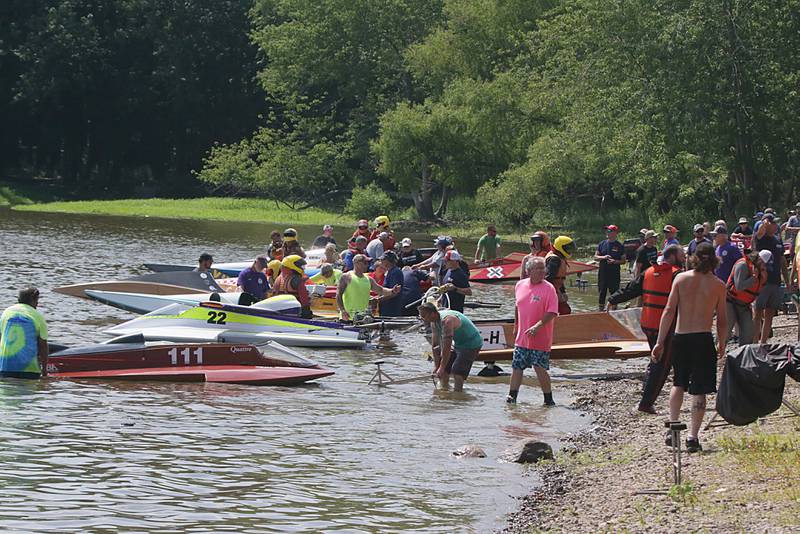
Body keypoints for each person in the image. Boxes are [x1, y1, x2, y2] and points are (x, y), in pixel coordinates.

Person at [652, 242, 727, 453]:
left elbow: (668, 311)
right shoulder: (718, 285)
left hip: (681, 337)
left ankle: (673, 427)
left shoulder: (680, 279)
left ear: (692, 258)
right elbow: (722, 320)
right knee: (700, 390)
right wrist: (722, 342)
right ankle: (693, 437)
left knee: (679, 383)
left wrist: (659, 341)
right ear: (714, 260)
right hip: (703, 338)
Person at [638, 245, 685, 413]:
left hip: (647, 325)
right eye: (682, 255)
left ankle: (647, 390)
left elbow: (632, 288)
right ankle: (645, 404)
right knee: (662, 366)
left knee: (657, 360)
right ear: (672, 257)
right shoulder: (677, 275)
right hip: (664, 327)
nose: (684, 258)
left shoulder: (649, 271)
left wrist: (614, 299)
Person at [505, 257, 558, 405]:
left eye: (544, 268)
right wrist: (516, 325)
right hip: (522, 337)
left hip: (540, 337)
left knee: (539, 367)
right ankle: (512, 396)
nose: (543, 271)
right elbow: (517, 306)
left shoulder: (549, 288)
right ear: (529, 271)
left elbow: (552, 312)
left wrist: (537, 326)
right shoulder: (520, 285)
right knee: (517, 366)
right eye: (539, 268)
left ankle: (548, 400)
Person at [418, 301, 483, 392]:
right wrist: (437, 366)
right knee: (444, 369)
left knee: (457, 371)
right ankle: (444, 391)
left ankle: (458, 394)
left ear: (432, 313)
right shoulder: (434, 323)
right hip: (458, 343)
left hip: (471, 343)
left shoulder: (447, 321)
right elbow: (435, 345)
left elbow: (447, 346)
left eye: (424, 316)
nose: (422, 318)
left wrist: (441, 367)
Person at [754, 213, 789, 343]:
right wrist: (764, 223)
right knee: (757, 312)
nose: (776, 226)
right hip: (762, 282)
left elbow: (782, 261)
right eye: (773, 223)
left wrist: (787, 281)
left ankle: (763, 342)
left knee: (770, 313)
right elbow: (758, 234)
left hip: (775, 280)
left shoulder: (777, 240)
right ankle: (754, 342)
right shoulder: (761, 239)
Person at [0, 287, 49, 379]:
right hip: (29, 370)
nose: (38, 303)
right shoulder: (37, 316)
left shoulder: (6, 313)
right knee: (28, 393)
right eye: (37, 300)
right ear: (33, 300)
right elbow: (43, 346)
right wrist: (44, 370)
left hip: (5, 367)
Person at [337, 254, 399, 321]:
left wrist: (392, 291)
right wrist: (343, 310)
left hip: (362, 318)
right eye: (365, 263)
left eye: (368, 263)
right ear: (357, 263)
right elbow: (338, 294)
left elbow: (381, 290)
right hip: (347, 318)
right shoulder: (346, 277)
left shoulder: (369, 279)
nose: (367, 265)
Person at [726, 251, 766, 346]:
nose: (765, 268)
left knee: (748, 333)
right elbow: (739, 286)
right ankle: (718, 355)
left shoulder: (762, 271)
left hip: (744, 305)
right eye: (764, 265)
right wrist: (754, 278)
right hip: (730, 302)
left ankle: (743, 356)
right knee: (726, 331)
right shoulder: (743, 265)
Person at [594, 225, 626, 311]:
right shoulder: (602, 244)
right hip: (603, 273)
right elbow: (595, 257)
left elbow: (623, 261)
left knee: (615, 293)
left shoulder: (619, 246)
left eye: (609, 231)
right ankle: (600, 311)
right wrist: (604, 257)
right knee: (602, 293)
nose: (607, 233)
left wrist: (614, 261)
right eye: (607, 231)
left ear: (615, 233)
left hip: (614, 274)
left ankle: (614, 311)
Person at [545, 236, 576, 315]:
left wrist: (562, 292)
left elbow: (559, 278)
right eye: (568, 248)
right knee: (564, 310)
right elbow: (549, 278)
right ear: (560, 247)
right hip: (551, 289)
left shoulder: (559, 257)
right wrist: (556, 293)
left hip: (555, 288)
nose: (569, 250)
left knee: (564, 310)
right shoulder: (554, 259)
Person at [376, 252, 405, 317]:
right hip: (386, 308)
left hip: (392, 309)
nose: (381, 261)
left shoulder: (395, 272)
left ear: (388, 261)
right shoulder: (389, 272)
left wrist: (378, 300)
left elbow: (395, 293)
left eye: (382, 260)